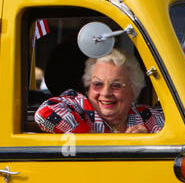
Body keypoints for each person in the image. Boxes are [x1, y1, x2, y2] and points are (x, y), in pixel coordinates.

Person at [35, 48, 163, 134]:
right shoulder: (80, 106)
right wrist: (95, 140)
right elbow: (44, 113)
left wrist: (147, 141)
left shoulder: (147, 116)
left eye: (116, 85)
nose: (106, 93)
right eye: (98, 84)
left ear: (133, 90)